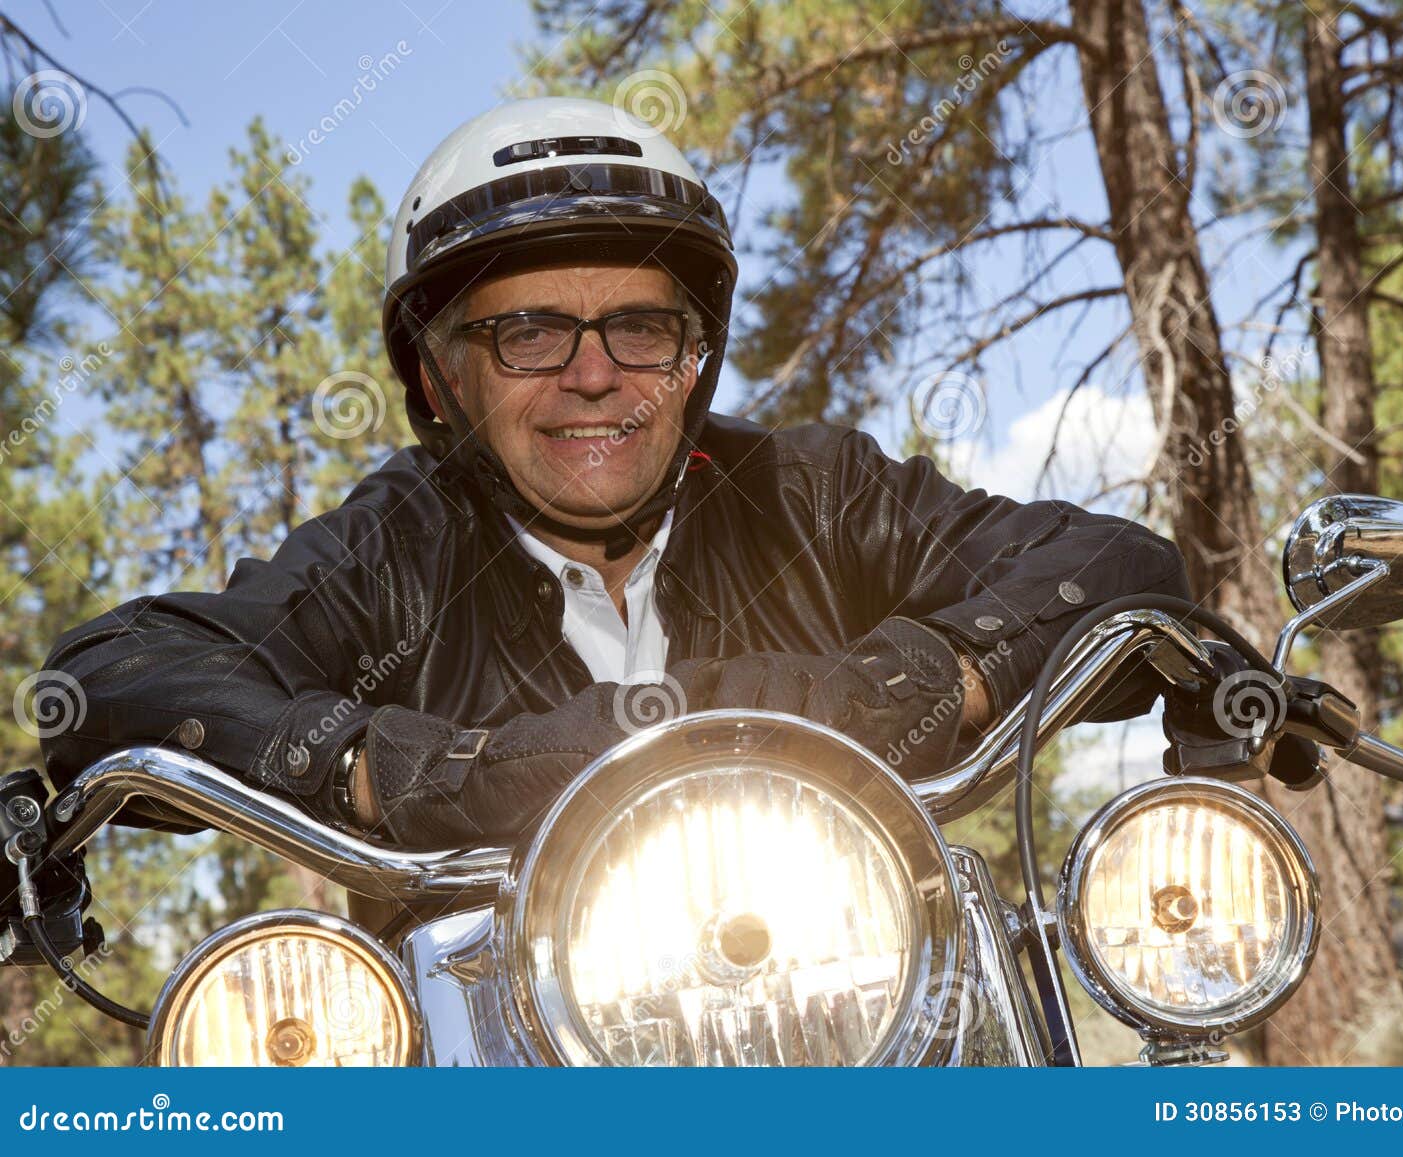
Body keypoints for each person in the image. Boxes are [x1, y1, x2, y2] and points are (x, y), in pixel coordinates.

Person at [38, 98, 1189, 862]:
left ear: (694, 360)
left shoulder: (812, 488)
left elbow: (1118, 565)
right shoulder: (394, 546)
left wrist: (885, 688)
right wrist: (405, 771)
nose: (596, 376)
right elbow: (107, 677)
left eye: (639, 327)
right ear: (441, 381)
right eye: (530, 333)